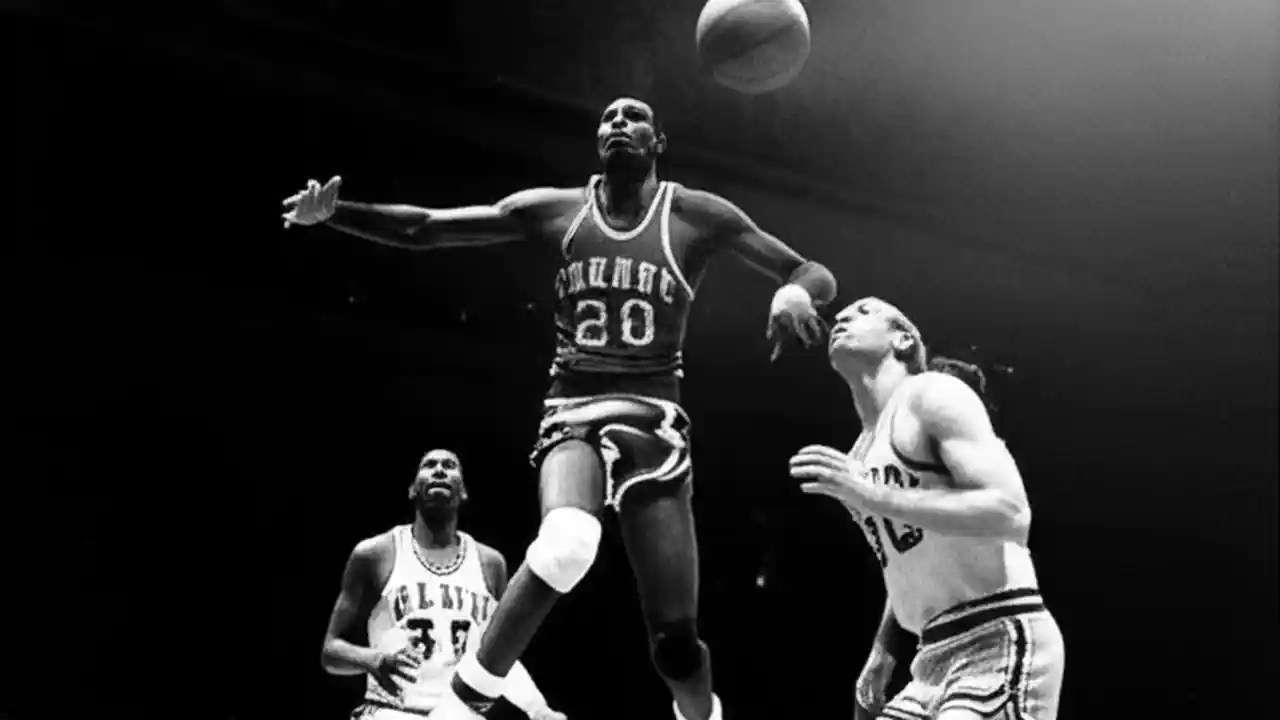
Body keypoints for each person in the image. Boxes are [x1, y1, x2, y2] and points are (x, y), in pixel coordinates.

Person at [283, 96, 838, 720]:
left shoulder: (695, 213)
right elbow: (428, 228)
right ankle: (461, 708)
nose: (618, 124)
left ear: (658, 141)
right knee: (567, 541)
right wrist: (336, 215)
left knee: (676, 647)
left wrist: (795, 293)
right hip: (574, 412)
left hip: (656, 423)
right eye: (608, 118)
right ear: (597, 141)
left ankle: (702, 714)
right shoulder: (558, 210)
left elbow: (811, 270)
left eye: (633, 116)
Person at [789, 297, 1065, 720]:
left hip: (998, 633)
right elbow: (912, 558)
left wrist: (872, 496)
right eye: (844, 313)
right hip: (931, 655)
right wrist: (883, 652)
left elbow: (1010, 512)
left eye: (865, 311)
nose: (842, 316)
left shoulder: (933, 394)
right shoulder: (860, 454)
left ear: (903, 339)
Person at [321, 448, 566, 720]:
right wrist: (374, 660)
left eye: (449, 465)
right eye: (429, 465)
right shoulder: (375, 554)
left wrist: (537, 708)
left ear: (463, 492)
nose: (439, 470)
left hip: (458, 712)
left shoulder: (490, 563)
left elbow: (499, 651)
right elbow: (330, 652)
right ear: (412, 490)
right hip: (391, 711)